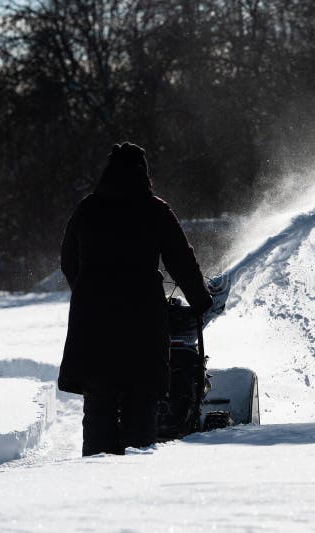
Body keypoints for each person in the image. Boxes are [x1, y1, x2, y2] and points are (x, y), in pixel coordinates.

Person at [58, 142, 213, 456]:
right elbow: (181, 260)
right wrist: (199, 301)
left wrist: (88, 291)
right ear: (144, 174)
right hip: (142, 320)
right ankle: (135, 478)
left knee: (99, 402)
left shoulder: (87, 208)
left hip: (94, 322)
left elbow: (67, 260)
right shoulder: (154, 209)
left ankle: (94, 473)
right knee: (140, 399)